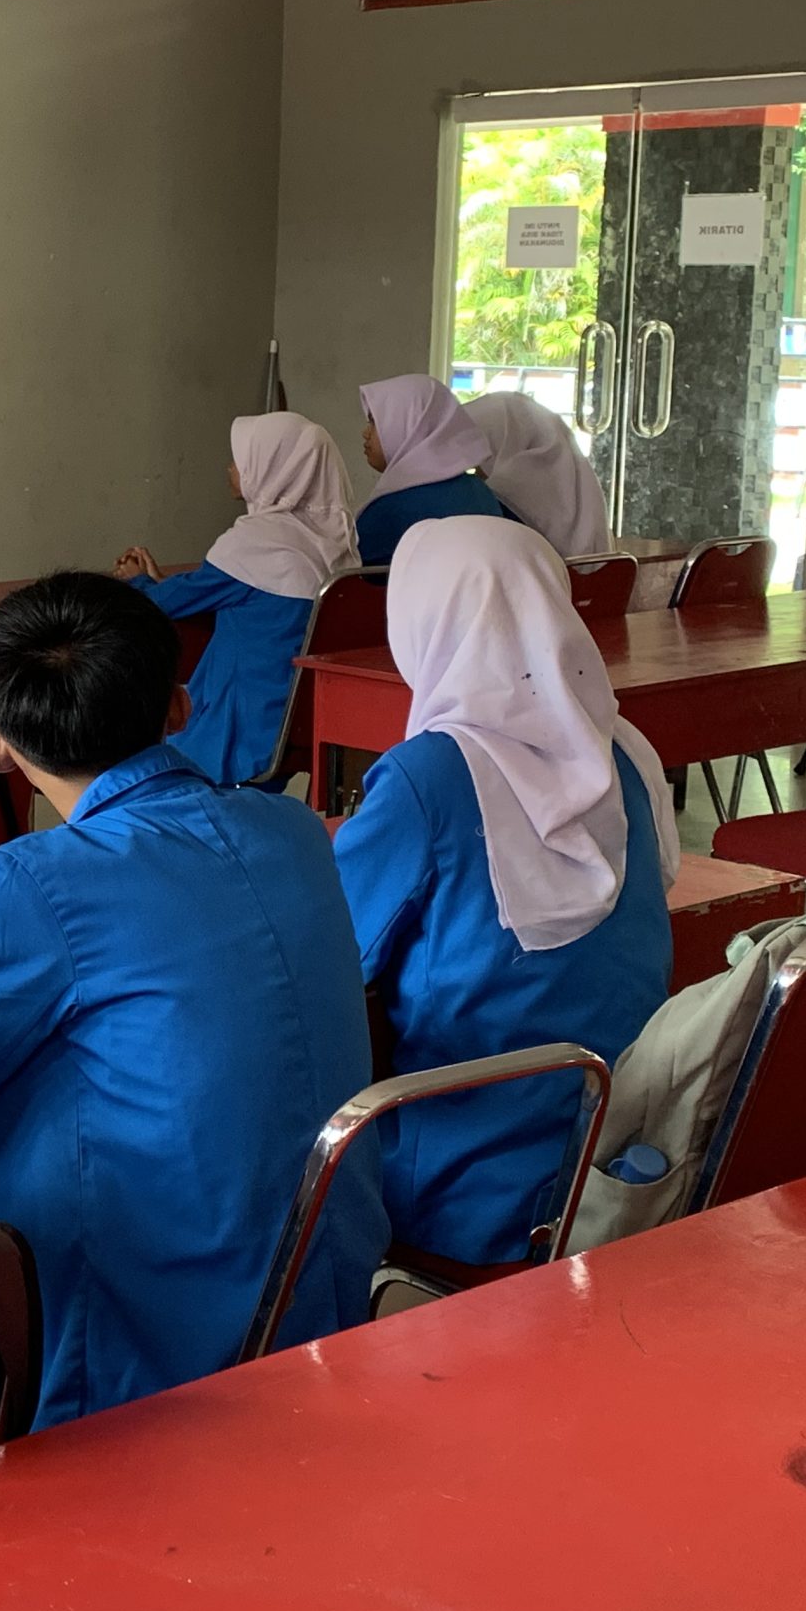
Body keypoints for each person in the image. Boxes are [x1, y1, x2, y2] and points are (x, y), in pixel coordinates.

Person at [0, 572, 383, 1426]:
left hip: (148, 1332)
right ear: (182, 706)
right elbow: (170, 956)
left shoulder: (40, 881)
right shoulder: (293, 830)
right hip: (317, 1287)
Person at [333, 518, 676, 1268]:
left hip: (461, 1182)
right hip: (617, 1152)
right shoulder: (625, 752)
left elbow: (325, 953)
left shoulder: (426, 778)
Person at [115, 411, 358, 786]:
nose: (231, 467)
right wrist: (166, 581)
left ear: (269, 469)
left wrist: (138, 582)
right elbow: (239, 593)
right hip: (293, 727)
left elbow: (163, 605)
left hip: (231, 733)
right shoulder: (334, 543)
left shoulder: (257, 540)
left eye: (241, 460)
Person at [354, 372, 511, 566]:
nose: (365, 433)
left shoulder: (390, 508)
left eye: (374, 422)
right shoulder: (480, 492)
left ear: (410, 426)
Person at [467, 389, 610, 557]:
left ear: (502, 442)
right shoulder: (578, 480)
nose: (475, 469)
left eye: (478, 456)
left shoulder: (501, 497)